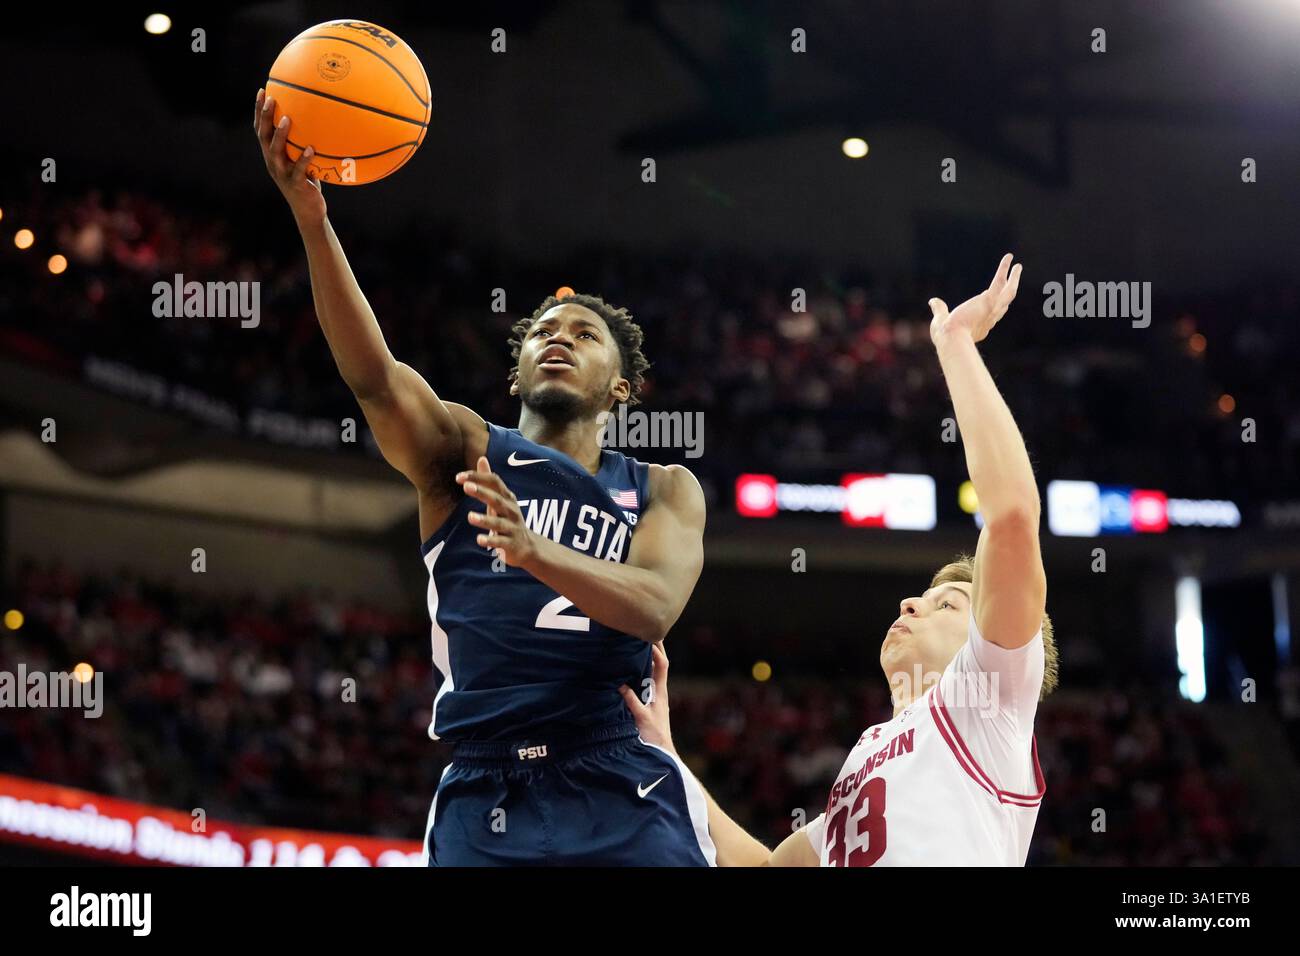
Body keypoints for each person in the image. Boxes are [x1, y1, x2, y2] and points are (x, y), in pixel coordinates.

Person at [254, 90, 714, 865]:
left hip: (618, 777)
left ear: (622, 388)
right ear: (518, 371)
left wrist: (536, 552)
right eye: (542, 333)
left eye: (584, 335)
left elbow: (656, 607)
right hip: (483, 786)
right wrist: (313, 220)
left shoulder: (663, 486)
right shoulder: (467, 448)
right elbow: (374, 379)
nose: (558, 340)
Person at [621, 256, 1059, 865]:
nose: (911, 602)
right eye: (926, 595)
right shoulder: (869, 752)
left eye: (948, 603)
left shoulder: (989, 703)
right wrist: (665, 752)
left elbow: (1011, 517)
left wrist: (956, 343)